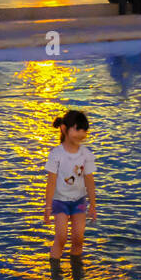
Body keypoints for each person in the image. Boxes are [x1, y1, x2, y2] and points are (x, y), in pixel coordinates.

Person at [43, 110, 96, 262]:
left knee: (78, 238)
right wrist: (47, 207)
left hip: (79, 201)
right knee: (61, 237)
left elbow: (89, 180)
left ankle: (77, 274)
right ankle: (55, 274)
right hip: (60, 202)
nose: (81, 133)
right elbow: (51, 182)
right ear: (65, 129)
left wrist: (93, 204)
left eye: (84, 130)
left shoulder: (86, 154)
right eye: (77, 129)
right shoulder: (56, 154)